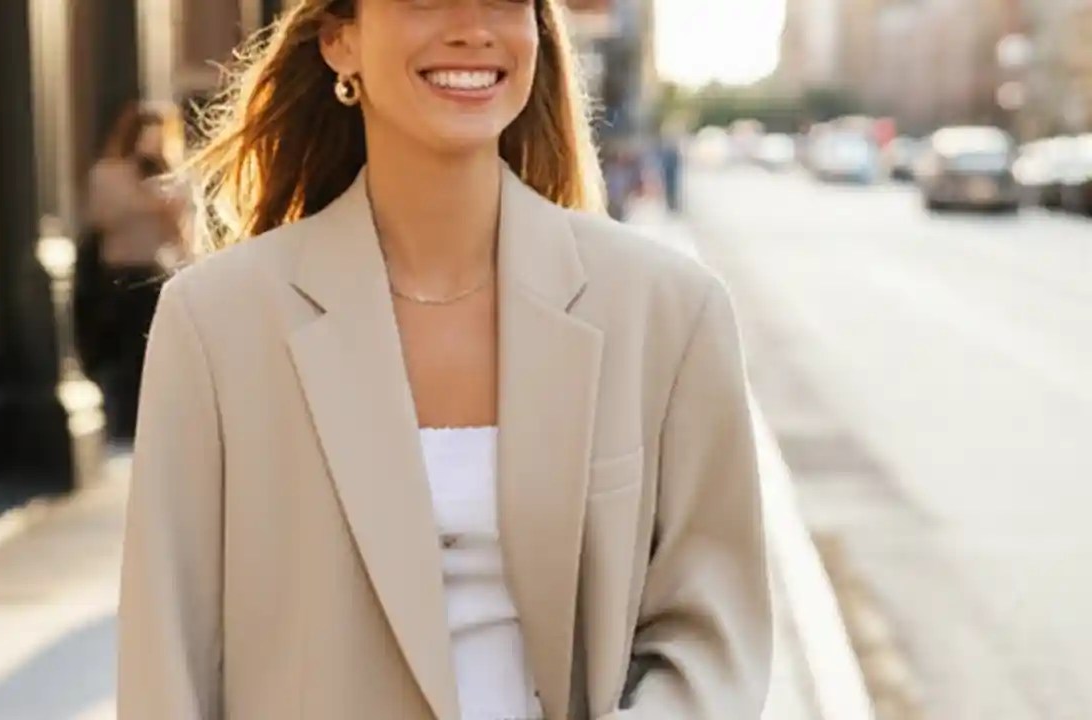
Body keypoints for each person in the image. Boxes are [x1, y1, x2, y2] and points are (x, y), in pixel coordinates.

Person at [117, 0, 771, 718]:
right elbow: (165, 666)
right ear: (341, 41)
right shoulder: (214, 324)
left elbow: (710, 639)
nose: (472, 26)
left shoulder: (670, 313)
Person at [84, 103, 187, 440]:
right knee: (120, 349)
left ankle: (151, 420)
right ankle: (122, 420)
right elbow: (102, 218)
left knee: (153, 350)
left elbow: (182, 231)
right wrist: (144, 199)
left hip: (157, 271)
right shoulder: (109, 172)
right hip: (118, 271)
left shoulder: (173, 175)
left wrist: (167, 203)